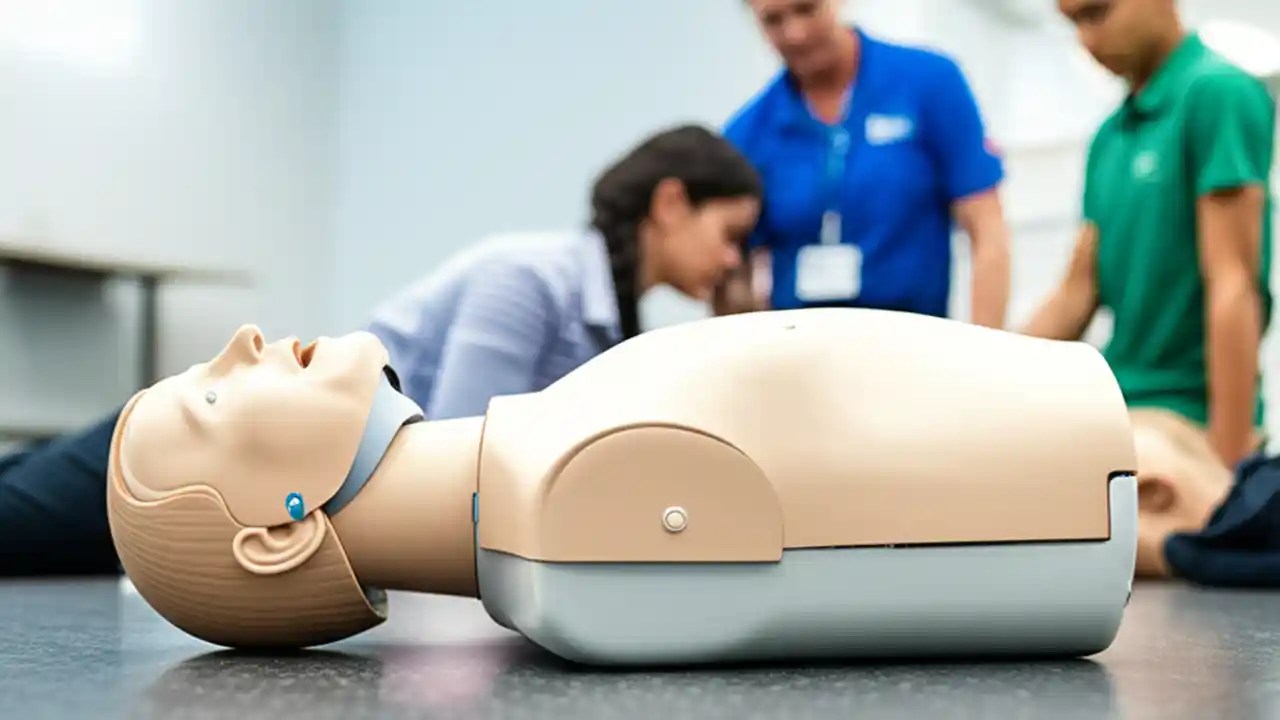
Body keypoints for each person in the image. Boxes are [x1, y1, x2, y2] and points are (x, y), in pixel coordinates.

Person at [0, 123, 763, 576]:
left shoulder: (612, 324)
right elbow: (468, 460)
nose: (734, 262)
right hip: (228, 448)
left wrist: (733, 332)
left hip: (275, 481)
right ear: (670, 203)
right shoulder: (532, 277)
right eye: (731, 236)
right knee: (20, 520)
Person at [1025, 0, 1275, 470]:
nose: (1087, 41)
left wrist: (1229, 465)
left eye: (1097, 14)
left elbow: (1233, 284)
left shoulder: (1217, 93)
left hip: (1186, 416)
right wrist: (983, 366)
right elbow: (1076, 292)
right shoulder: (1110, 136)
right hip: (1118, 407)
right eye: (1073, 24)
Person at [714, 0, 1012, 329]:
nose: (795, 34)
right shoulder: (747, 133)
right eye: (773, 21)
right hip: (803, 352)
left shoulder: (929, 84)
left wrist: (984, 354)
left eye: (806, 9)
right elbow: (730, 270)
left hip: (915, 341)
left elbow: (988, 232)